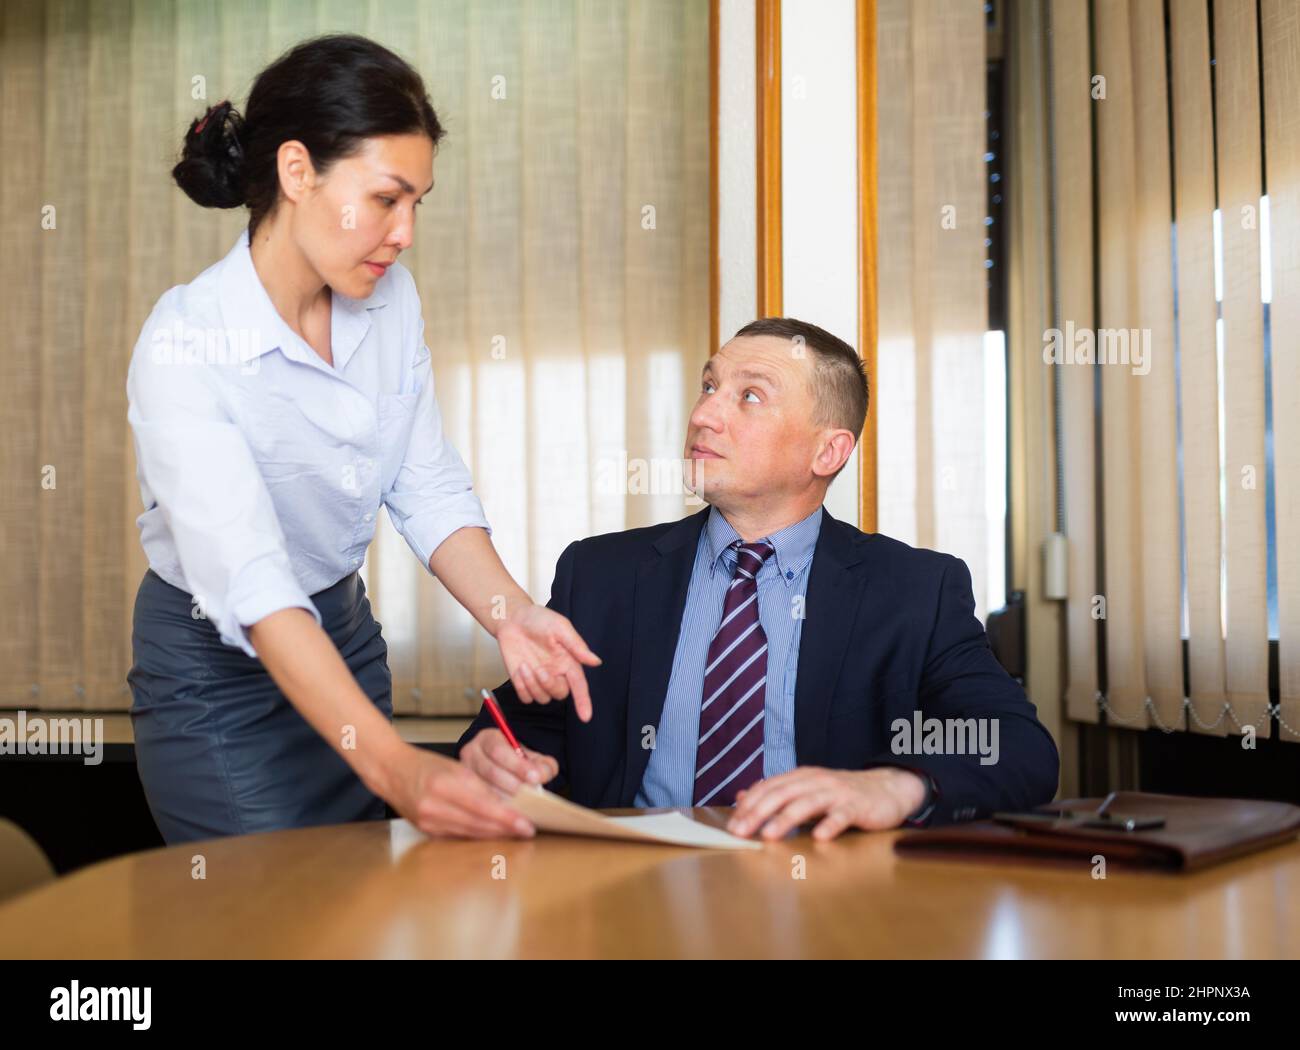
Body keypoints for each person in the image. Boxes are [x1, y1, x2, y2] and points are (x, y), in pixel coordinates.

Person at [126, 34, 596, 845]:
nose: (406, 232)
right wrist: (396, 765)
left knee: (352, 898)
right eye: (386, 199)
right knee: (264, 908)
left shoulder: (389, 299)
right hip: (217, 669)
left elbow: (424, 482)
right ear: (297, 171)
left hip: (341, 638)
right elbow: (253, 584)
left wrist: (511, 613)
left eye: (420, 202)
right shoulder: (186, 342)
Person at [459, 317, 1060, 840]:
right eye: (709, 386)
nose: (703, 414)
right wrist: (492, 750)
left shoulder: (915, 590)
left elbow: (1018, 746)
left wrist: (896, 786)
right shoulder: (600, 573)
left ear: (828, 452)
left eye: (749, 397)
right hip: (623, 889)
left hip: (824, 894)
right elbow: (527, 722)